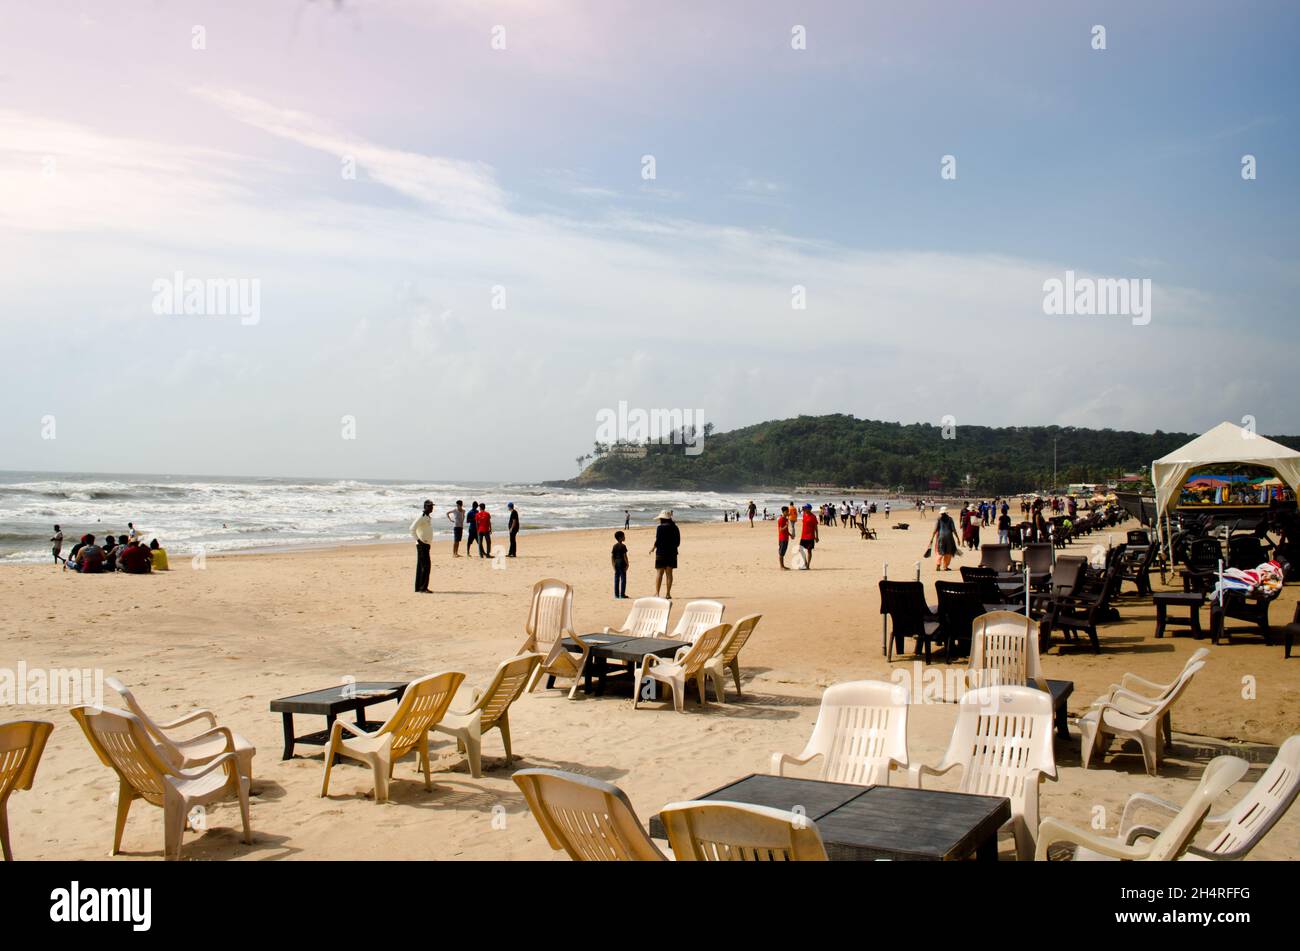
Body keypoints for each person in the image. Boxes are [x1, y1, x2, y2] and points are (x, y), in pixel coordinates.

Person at [650, 509, 679, 598]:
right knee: (669, 574)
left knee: (659, 573)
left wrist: (654, 548)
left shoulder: (660, 528)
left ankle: (657, 593)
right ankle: (668, 593)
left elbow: (658, 541)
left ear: (662, 519)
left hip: (661, 553)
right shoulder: (675, 527)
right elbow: (678, 542)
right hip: (672, 553)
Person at [409, 500, 434, 593]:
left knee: (421, 566)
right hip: (422, 545)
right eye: (429, 506)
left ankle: (418, 587)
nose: (431, 508)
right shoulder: (421, 516)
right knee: (426, 566)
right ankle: (423, 588)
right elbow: (412, 528)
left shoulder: (427, 517)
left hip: (426, 544)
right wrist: (418, 540)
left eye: (432, 506)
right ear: (425, 507)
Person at [930, 506, 958, 571]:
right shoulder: (950, 519)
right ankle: (945, 567)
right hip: (949, 537)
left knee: (940, 551)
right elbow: (953, 529)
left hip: (941, 536)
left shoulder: (939, 519)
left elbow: (935, 529)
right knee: (948, 552)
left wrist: (932, 538)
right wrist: (957, 538)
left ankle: (938, 565)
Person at [798, 503, 819, 568]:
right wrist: (801, 509)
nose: (804, 509)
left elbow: (815, 527)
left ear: (810, 509)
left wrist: (817, 536)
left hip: (810, 536)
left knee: (809, 550)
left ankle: (808, 565)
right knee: (800, 550)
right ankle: (805, 562)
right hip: (803, 536)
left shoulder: (813, 517)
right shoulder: (804, 514)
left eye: (806, 508)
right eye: (804, 508)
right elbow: (800, 511)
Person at [611, 530, 629, 598]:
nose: (624, 537)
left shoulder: (614, 546)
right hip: (622, 563)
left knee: (616, 579)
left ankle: (616, 594)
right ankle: (622, 594)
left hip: (616, 563)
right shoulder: (623, 546)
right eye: (623, 536)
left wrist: (613, 565)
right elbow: (625, 556)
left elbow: (612, 557)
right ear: (620, 538)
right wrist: (627, 564)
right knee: (623, 579)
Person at [777, 505, 792, 570]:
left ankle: (783, 566)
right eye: (787, 511)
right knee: (781, 552)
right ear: (783, 512)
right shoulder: (781, 519)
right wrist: (786, 526)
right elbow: (780, 529)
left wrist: (790, 534)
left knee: (783, 552)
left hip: (786, 538)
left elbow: (786, 530)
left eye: (788, 511)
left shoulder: (786, 519)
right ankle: (781, 566)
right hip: (782, 538)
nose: (788, 512)